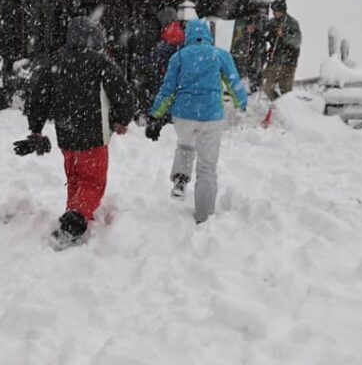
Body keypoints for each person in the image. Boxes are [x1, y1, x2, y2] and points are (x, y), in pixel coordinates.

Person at [18, 16, 134, 249]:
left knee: (75, 177)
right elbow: (122, 92)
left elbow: (39, 97)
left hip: (67, 133)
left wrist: (36, 128)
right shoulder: (101, 63)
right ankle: (74, 222)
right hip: (94, 133)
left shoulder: (57, 61)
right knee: (92, 181)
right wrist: (123, 118)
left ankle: (74, 211)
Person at [149, 19, 247, 224]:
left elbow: (167, 89)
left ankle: (180, 179)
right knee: (207, 167)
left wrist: (156, 114)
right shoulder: (220, 55)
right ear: (208, 35)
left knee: (185, 146)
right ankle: (204, 215)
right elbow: (234, 82)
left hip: (183, 115)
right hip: (211, 116)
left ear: (189, 35)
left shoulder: (179, 57)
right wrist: (242, 103)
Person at [144, 19, 185, 140]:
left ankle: (163, 119)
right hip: (183, 106)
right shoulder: (184, 50)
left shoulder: (160, 47)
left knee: (164, 92)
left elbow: (152, 63)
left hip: (161, 82)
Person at [261, 0, 302, 99]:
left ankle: (285, 105)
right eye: (273, 11)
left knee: (286, 90)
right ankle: (278, 103)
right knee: (268, 87)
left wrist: (284, 34)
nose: (273, 13)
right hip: (275, 60)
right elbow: (265, 35)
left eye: (275, 11)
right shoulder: (272, 22)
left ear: (282, 11)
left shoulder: (292, 23)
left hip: (289, 62)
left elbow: (297, 41)